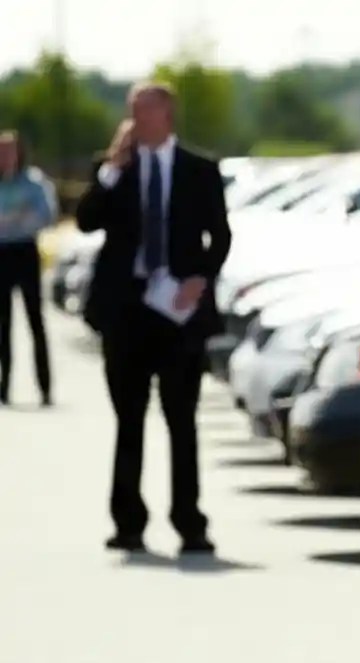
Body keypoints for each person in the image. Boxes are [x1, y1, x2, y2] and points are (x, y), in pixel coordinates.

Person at [76, 81, 232, 555]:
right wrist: (109, 172)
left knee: (181, 421)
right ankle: (128, 522)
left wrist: (200, 279)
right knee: (129, 421)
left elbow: (220, 236)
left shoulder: (200, 170)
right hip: (126, 311)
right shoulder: (115, 170)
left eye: (145, 113)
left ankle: (190, 522)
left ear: (167, 116)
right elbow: (86, 220)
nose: (136, 122)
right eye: (132, 113)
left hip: (178, 313)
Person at [0, 130, 56, 407]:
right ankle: (4, 386)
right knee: (2, 324)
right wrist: (16, 216)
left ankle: (45, 387)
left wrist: (15, 220)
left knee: (36, 320)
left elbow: (45, 215)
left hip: (25, 251)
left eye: (10, 151)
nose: (5, 157)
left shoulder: (33, 183)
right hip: (1, 254)